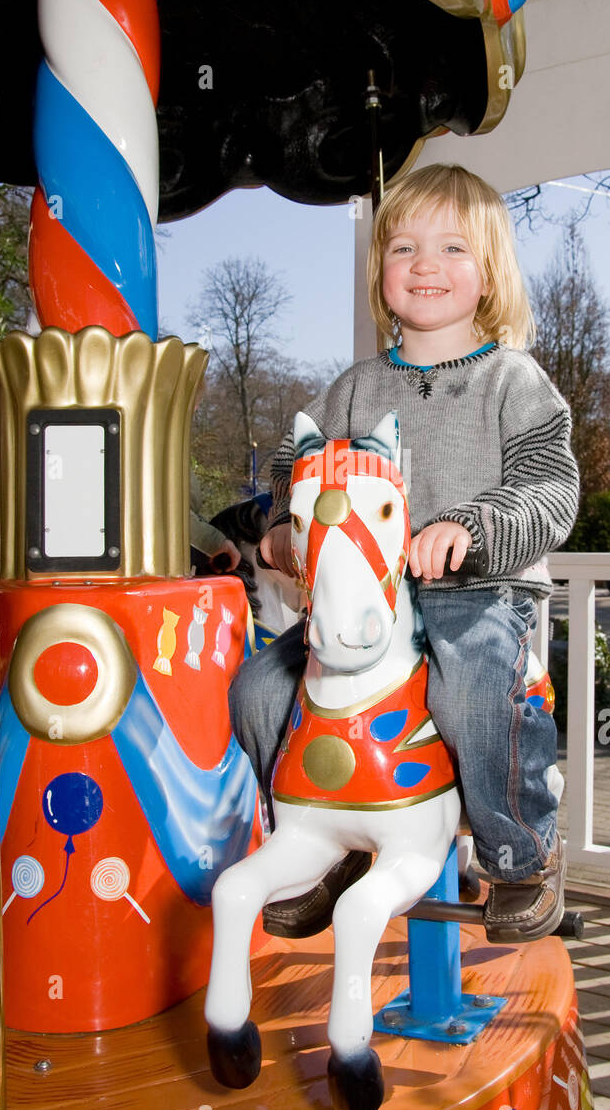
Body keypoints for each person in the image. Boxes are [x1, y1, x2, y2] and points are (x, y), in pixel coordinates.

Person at [228, 163, 580, 943]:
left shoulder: (512, 381)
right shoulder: (354, 389)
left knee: (469, 698)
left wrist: (473, 528)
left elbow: (549, 488)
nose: (425, 265)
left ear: (488, 275)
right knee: (257, 690)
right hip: (365, 603)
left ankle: (521, 851)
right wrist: (286, 528)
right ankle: (323, 842)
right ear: (380, 270)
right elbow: (296, 467)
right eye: (404, 248)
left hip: (479, 595)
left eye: (453, 248)